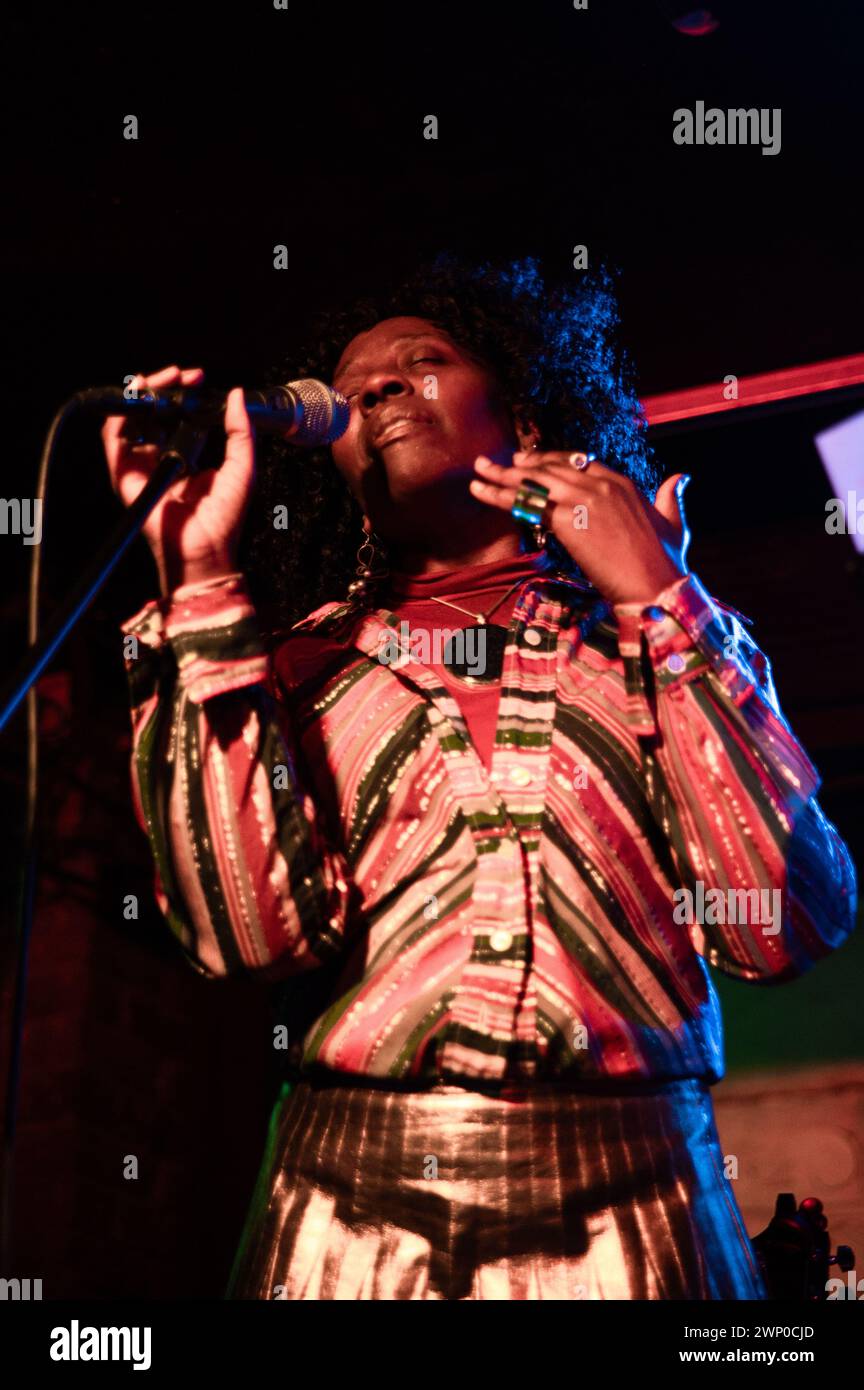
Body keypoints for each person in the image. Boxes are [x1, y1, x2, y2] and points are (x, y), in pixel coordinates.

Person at [103, 255, 857, 1301]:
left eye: (423, 362)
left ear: (526, 420)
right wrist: (197, 580)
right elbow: (245, 941)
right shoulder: (290, 666)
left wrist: (662, 598)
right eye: (349, 390)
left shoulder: (649, 638)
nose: (375, 387)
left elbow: (782, 925)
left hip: (640, 1201)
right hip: (345, 1210)